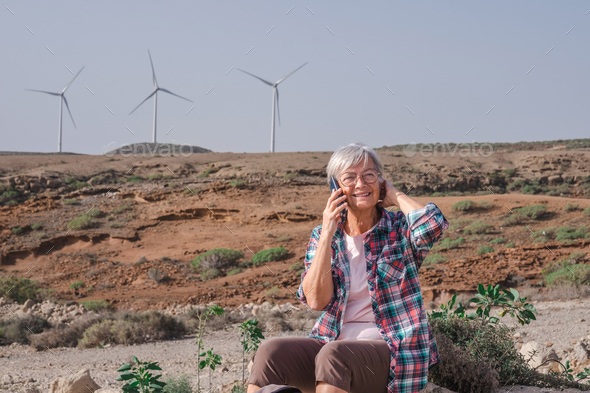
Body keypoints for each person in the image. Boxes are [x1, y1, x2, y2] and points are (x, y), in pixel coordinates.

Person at [248, 143, 449, 393]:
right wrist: (327, 234)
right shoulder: (323, 236)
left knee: (334, 356)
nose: (361, 184)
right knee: (270, 353)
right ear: (336, 188)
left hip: (393, 350)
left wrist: (395, 195)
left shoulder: (401, 229)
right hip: (331, 343)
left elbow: (434, 225)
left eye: (369, 175)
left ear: (381, 181)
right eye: (349, 178)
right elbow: (315, 301)